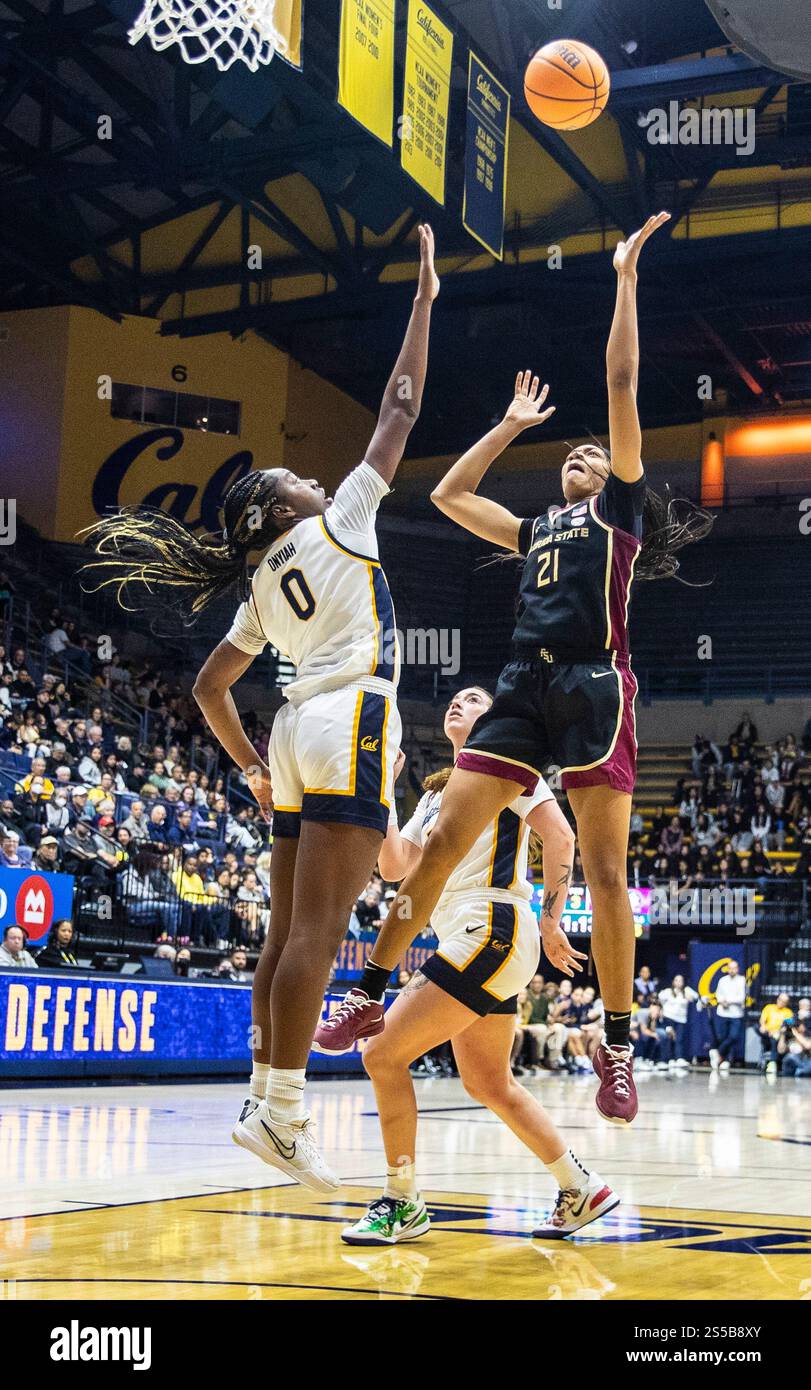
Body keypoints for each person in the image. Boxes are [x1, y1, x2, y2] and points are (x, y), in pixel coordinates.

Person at [319, 213, 712, 1128]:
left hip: (593, 684)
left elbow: (620, 380)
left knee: (607, 874)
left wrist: (624, 277)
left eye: (591, 453)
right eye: (570, 452)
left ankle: (617, 1044)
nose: (580, 454)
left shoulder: (617, 512)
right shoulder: (533, 528)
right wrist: (506, 425)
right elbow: (450, 494)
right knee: (440, 846)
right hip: (520, 686)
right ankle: (370, 990)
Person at [82, 224, 440, 1192]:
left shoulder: (257, 587)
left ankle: (264, 1099)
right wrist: (422, 299)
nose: (317, 480)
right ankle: (282, 1114)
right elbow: (401, 405)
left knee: (285, 933)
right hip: (348, 718)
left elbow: (209, 686)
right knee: (318, 934)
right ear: (283, 508)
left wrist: (247, 765)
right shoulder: (341, 521)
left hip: (288, 732)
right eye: (299, 481)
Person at [325, 685, 613, 1244]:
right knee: (488, 1081)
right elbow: (394, 867)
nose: (459, 702)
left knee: (381, 1052)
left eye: (476, 698)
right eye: (455, 698)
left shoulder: (508, 766)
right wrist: (384, 788)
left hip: (492, 926)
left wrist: (553, 919)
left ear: (494, 716)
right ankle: (581, 1187)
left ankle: (401, 1201)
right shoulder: (436, 794)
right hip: (470, 936)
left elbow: (560, 834)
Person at [707, 958, 746, 1071]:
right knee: (722, 1037)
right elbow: (718, 994)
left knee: (733, 1036)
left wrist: (728, 1001)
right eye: (730, 968)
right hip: (723, 1013)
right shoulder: (722, 980)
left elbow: (741, 997)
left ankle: (717, 1053)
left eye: (734, 968)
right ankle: (724, 1060)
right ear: (727, 969)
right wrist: (721, 1001)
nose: (732, 970)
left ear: (738, 969)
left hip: (736, 1014)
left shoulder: (742, 980)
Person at [657, 974, 700, 1070]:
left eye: (680, 980)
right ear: (673, 982)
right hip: (669, 1017)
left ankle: (678, 1058)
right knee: (669, 1037)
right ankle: (669, 1059)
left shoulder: (687, 990)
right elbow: (659, 998)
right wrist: (661, 1010)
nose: (678, 982)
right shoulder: (668, 991)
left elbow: (696, 997)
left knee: (679, 1039)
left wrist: (691, 997)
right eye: (676, 980)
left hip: (681, 1019)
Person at [759, 993, 793, 1074]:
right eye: (780, 1000)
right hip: (766, 1032)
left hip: (778, 1033)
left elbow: (787, 1025)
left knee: (775, 1038)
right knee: (757, 1028)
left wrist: (776, 1031)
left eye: (784, 1001)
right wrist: (763, 1026)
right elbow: (763, 1019)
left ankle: (772, 1062)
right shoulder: (769, 1007)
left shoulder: (788, 1012)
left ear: (787, 1003)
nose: (781, 1002)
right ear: (777, 999)